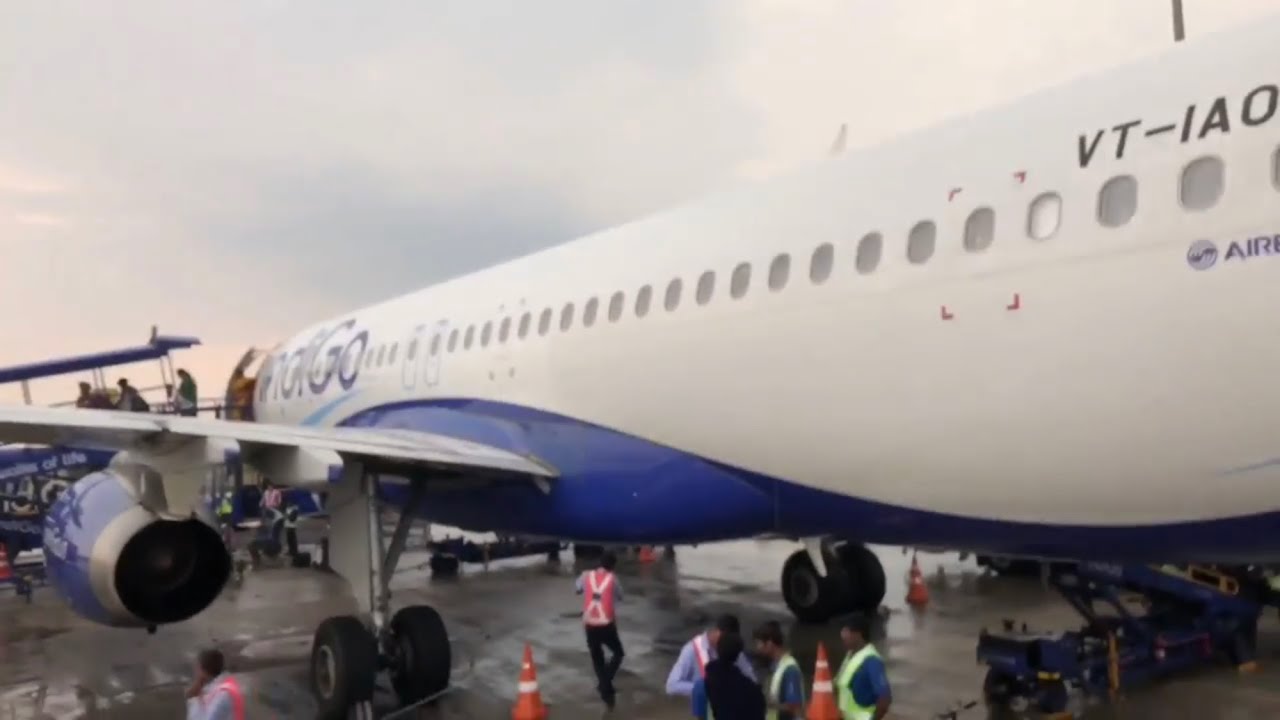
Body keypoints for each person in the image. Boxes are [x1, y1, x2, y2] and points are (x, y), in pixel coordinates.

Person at [667, 614, 757, 709]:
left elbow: (751, 680)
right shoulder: (691, 650)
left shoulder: (732, 647)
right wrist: (704, 689)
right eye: (725, 638)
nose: (727, 642)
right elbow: (672, 686)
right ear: (715, 632)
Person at [575, 550, 625, 709]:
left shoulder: (585, 576)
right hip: (606, 625)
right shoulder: (613, 579)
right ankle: (605, 684)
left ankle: (605, 687)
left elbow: (576, 589)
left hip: (589, 624)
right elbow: (620, 596)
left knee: (597, 658)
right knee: (618, 653)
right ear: (613, 566)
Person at [692, 631, 766, 720]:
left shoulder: (701, 686)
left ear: (717, 649)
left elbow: (700, 717)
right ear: (738, 655)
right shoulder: (753, 690)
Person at [835, 614, 892, 720]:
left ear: (858, 634)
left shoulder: (872, 661)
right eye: (842, 631)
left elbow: (885, 700)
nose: (842, 635)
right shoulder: (850, 655)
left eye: (846, 631)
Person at [754, 621, 805, 720]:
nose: (757, 648)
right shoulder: (776, 666)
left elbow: (794, 706)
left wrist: (766, 704)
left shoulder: (790, 669)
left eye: (759, 643)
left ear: (769, 644)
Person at [185, 648, 245, 719]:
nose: (195, 672)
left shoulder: (222, 694)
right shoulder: (222, 688)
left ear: (202, 670)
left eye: (197, 668)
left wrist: (195, 698)